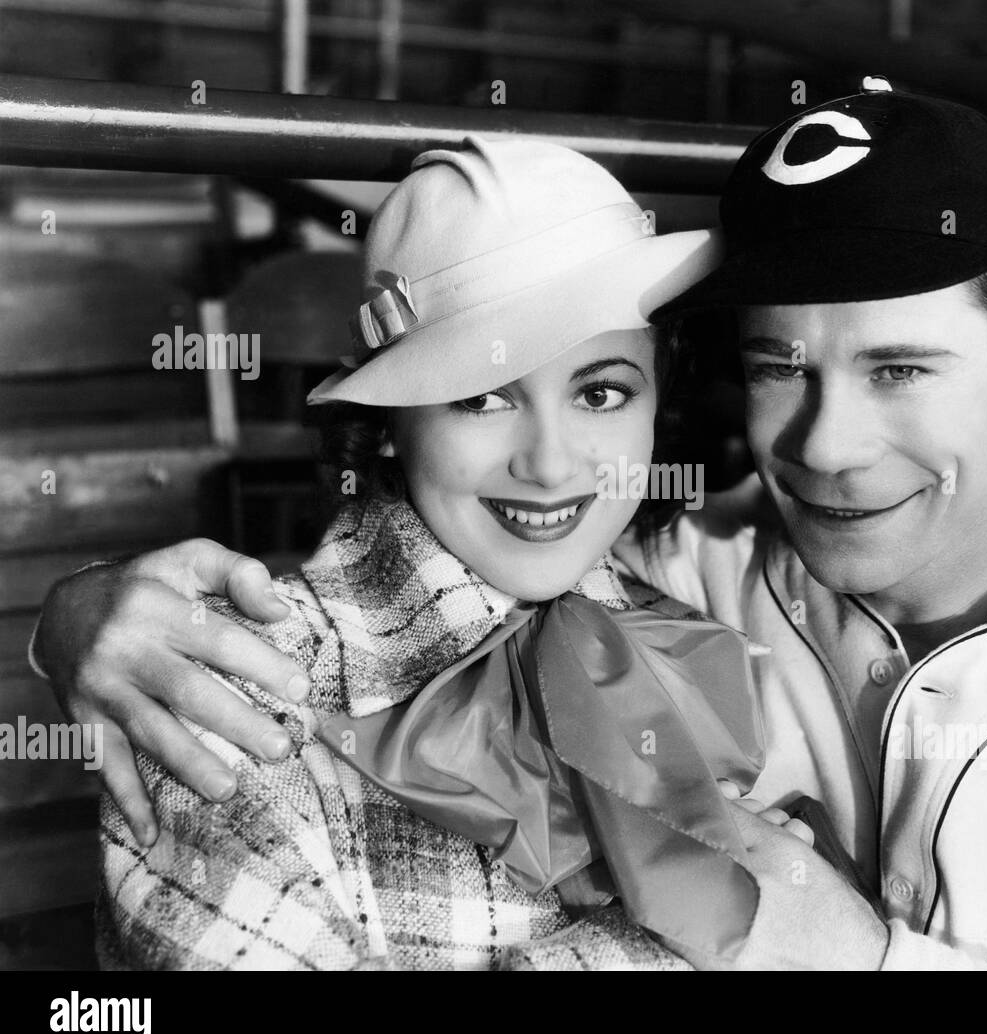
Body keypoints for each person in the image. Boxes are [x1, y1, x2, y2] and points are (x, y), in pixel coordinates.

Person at [35, 81, 987, 970]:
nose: (826, 443)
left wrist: (857, 960)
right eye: (777, 367)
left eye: (901, 369)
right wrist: (82, 613)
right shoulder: (691, 561)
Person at [80, 136, 826, 971]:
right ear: (395, 424)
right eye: (481, 397)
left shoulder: (692, 634)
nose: (549, 462)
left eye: (601, 391)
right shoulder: (223, 691)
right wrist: (703, 944)